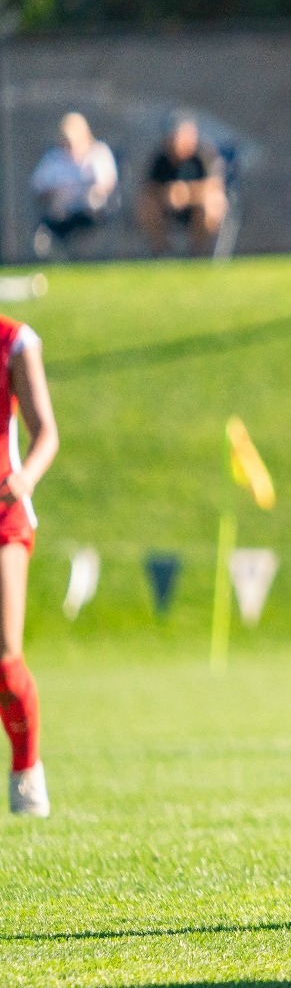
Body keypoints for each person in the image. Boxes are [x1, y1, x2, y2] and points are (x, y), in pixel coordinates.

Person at [1, 313, 56, 818]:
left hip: (2, 513)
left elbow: (46, 434)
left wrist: (24, 480)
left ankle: (26, 772)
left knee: (3, 656)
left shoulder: (14, 340)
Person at [137, 117, 228, 256]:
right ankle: (162, 252)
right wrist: (167, 194)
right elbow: (150, 187)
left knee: (213, 204)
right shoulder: (163, 158)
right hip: (167, 207)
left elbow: (215, 186)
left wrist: (187, 193)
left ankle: (197, 254)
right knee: (146, 204)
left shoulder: (204, 155)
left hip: (197, 206)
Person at [29, 113, 118, 255]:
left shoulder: (98, 153)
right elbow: (38, 188)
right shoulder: (53, 158)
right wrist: (58, 193)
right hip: (61, 213)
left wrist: (92, 190)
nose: (69, 147)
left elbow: (108, 183)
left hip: (91, 212)